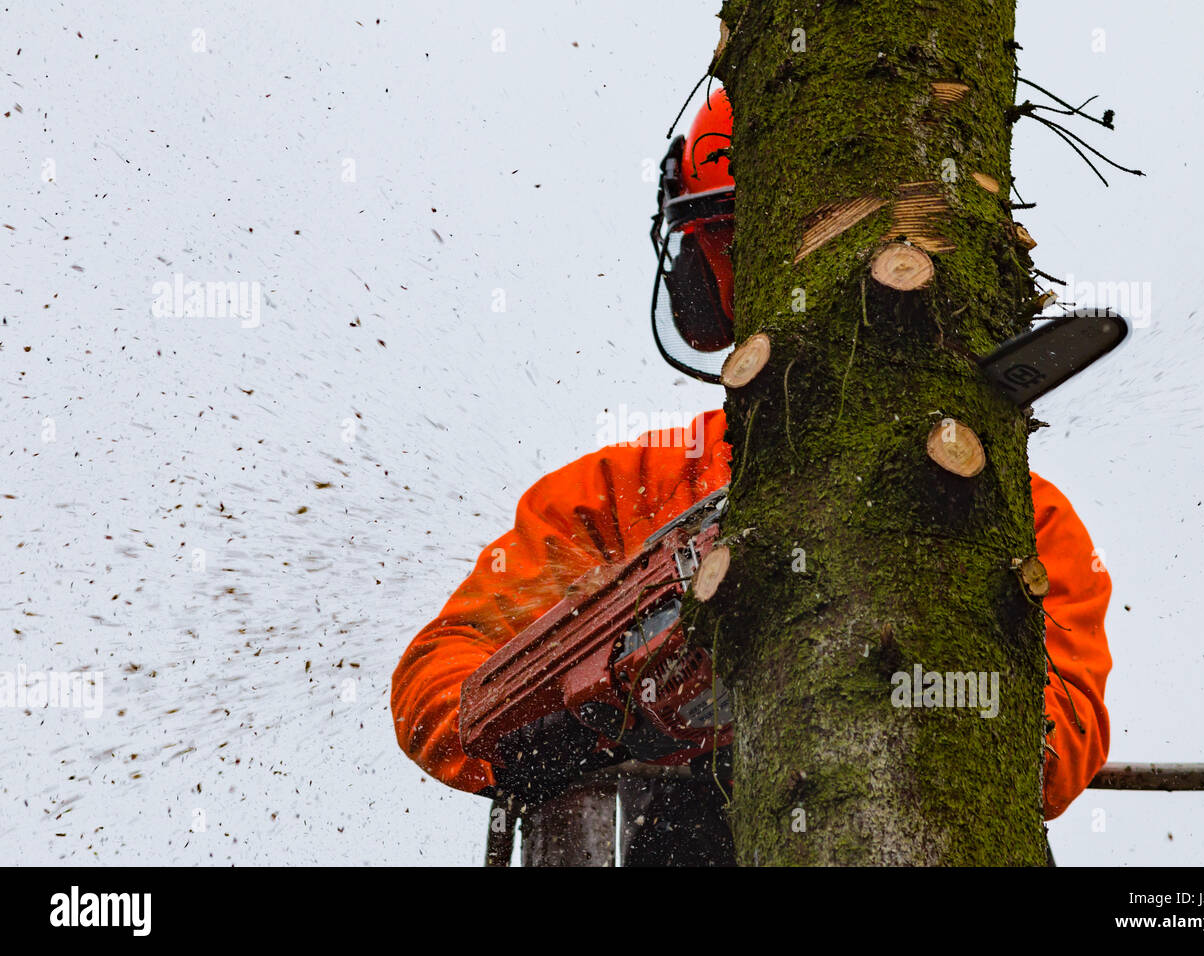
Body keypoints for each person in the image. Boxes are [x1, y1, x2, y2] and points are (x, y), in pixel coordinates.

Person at [391, 87, 1112, 866]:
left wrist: (876, 686)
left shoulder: (1015, 512)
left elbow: (1059, 743)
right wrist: (610, 720)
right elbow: (441, 685)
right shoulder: (626, 493)